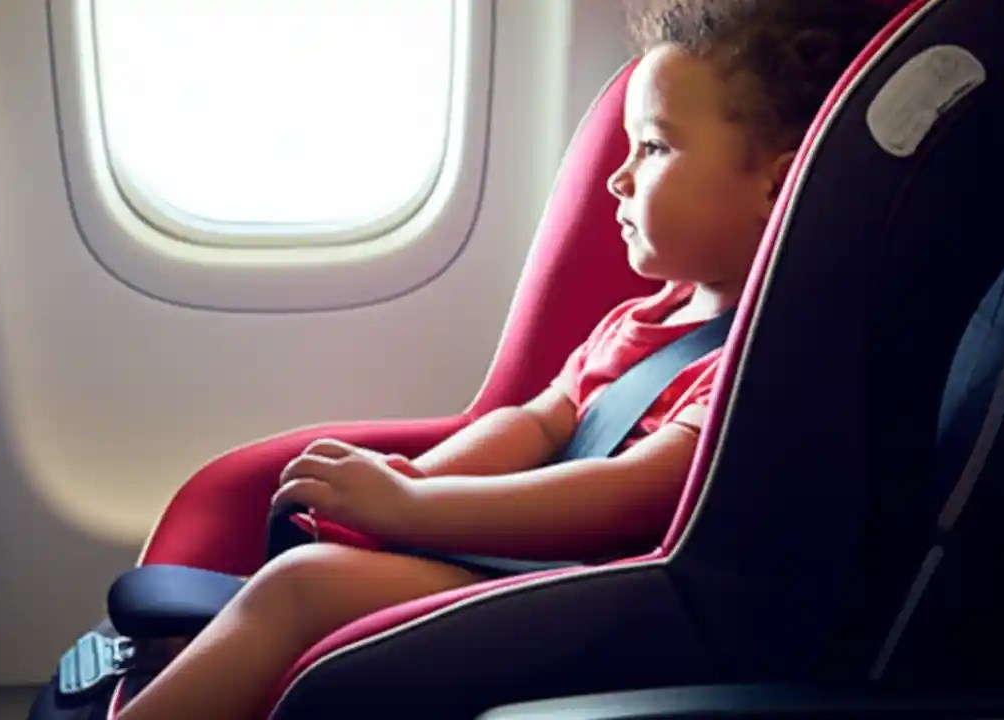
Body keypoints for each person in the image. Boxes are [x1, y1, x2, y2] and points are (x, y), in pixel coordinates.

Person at [117, 2, 890, 717]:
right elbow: (536, 420)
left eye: (652, 148)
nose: (617, 179)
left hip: (604, 598)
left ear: (778, 184)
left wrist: (413, 509)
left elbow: (627, 495)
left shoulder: (760, 365)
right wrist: (413, 481)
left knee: (298, 587)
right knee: (294, 579)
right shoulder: (647, 318)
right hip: (524, 564)